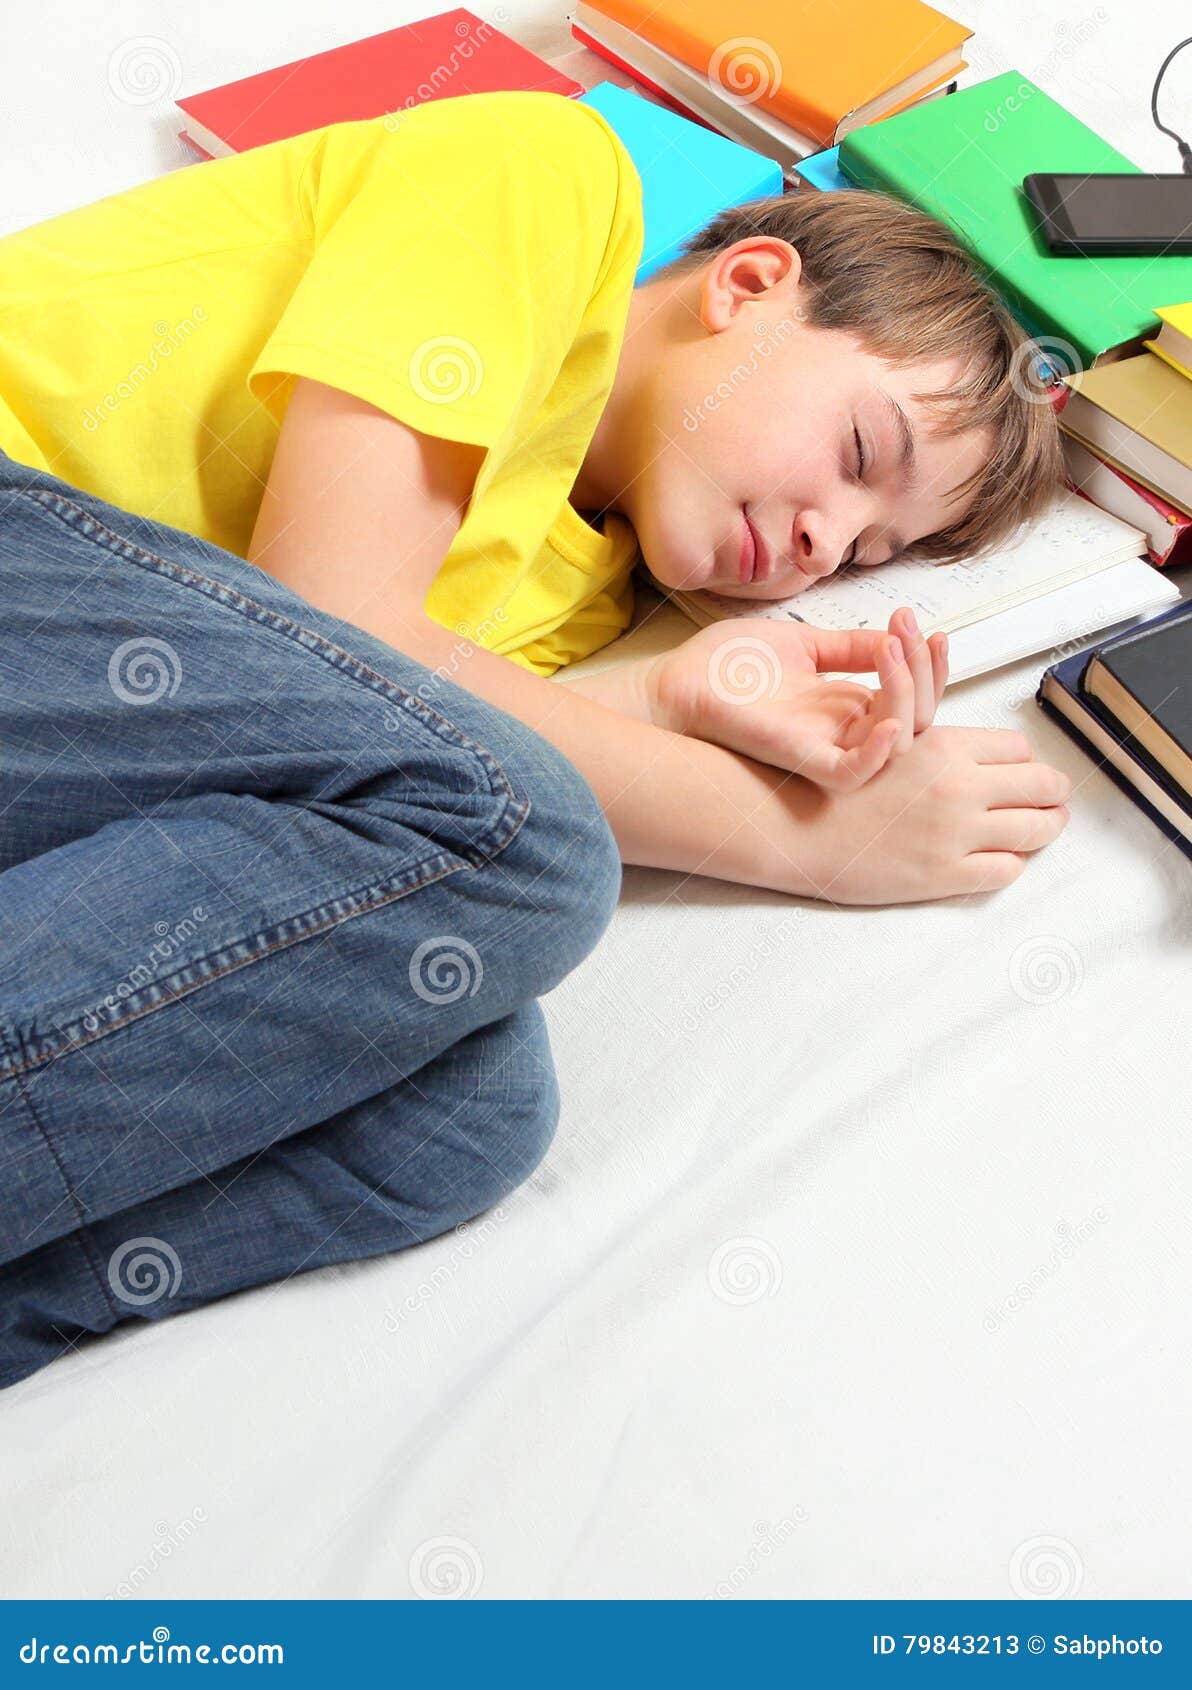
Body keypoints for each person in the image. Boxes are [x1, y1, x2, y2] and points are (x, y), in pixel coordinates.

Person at [0, 89, 1071, 1388]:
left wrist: (674, 696)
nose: (820, 543)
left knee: (469, 1105)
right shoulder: (544, 180)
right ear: (749, 283)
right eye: (858, 452)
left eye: (865, 552)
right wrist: (808, 831)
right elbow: (338, 621)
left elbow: (357, 757)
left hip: (78, 728)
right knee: (539, 848)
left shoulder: (590, 595)